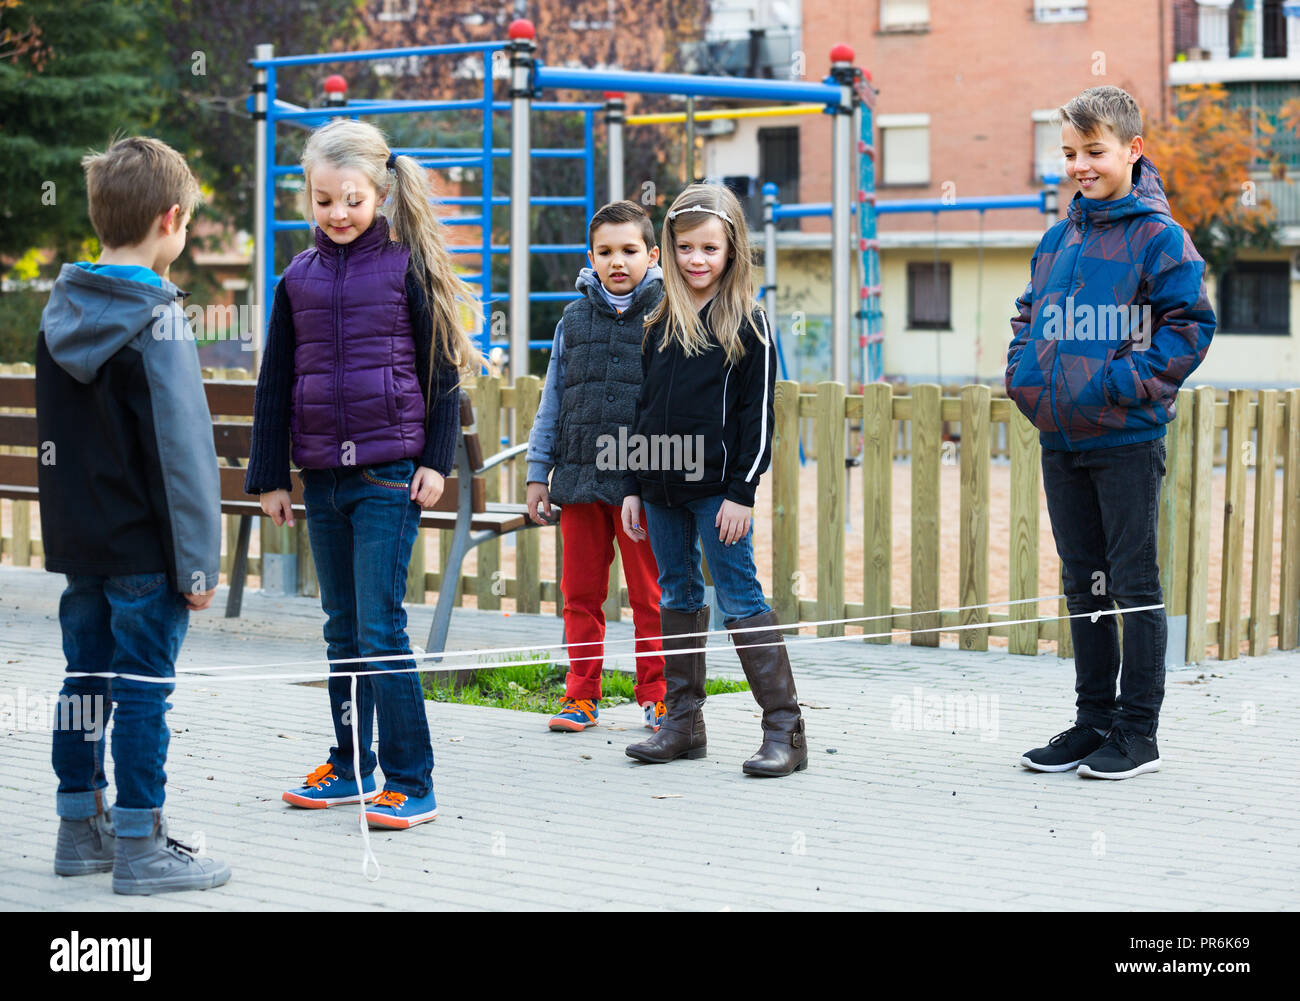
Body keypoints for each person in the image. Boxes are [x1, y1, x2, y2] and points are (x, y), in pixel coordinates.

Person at [245, 119, 479, 828]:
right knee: (341, 627)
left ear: (378, 192)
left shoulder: (407, 268)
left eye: (350, 199)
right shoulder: (297, 279)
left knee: (380, 627)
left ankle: (413, 778)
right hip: (322, 480)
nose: (337, 214)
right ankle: (350, 766)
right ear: (307, 199)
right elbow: (275, 380)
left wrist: (436, 461)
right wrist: (271, 477)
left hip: (390, 476)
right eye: (323, 201)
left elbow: (444, 370)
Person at [37, 136, 230, 893]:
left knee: (84, 677)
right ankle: (141, 843)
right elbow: (182, 455)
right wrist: (198, 562)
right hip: (148, 553)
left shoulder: (58, 315)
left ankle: (77, 828)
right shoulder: (158, 319)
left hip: (82, 546)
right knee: (145, 689)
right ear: (171, 220)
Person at [1006, 86, 1215, 780]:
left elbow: (1190, 327)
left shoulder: (1160, 238)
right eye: (1069, 152)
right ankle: (1092, 721)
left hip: (1124, 440)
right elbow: (1027, 313)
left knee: (1132, 584)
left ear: (1132, 150)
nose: (1079, 165)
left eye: (1093, 151)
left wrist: (1117, 385)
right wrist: (1025, 378)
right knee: (1082, 585)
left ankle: (1136, 733)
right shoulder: (1058, 236)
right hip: (1061, 439)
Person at [620, 183, 807, 777]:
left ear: (732, 252)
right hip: (661, 491)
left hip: (717, 495)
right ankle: (682, 723)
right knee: (675, 594)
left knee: (740, 598)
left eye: (709, 249)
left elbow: (758, 420)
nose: (696, 260)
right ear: (669, 251)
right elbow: (643, 410)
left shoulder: (748, 324)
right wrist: (633, 485)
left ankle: (784, 729)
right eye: (684, 248)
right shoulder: (657, 324)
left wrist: (741, 493)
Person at [526, 201, 668, 734]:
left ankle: (658, 694)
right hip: (580, 482)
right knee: (579, 593)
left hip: (643, 487)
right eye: (605, 251)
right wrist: (538, 473)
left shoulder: (667, 315)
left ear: (651, 255)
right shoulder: (572, 319)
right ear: (591, 256)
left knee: (650, 595)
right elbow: (552, 400)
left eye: (629, 251)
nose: (617, 262)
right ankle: (580, 694)